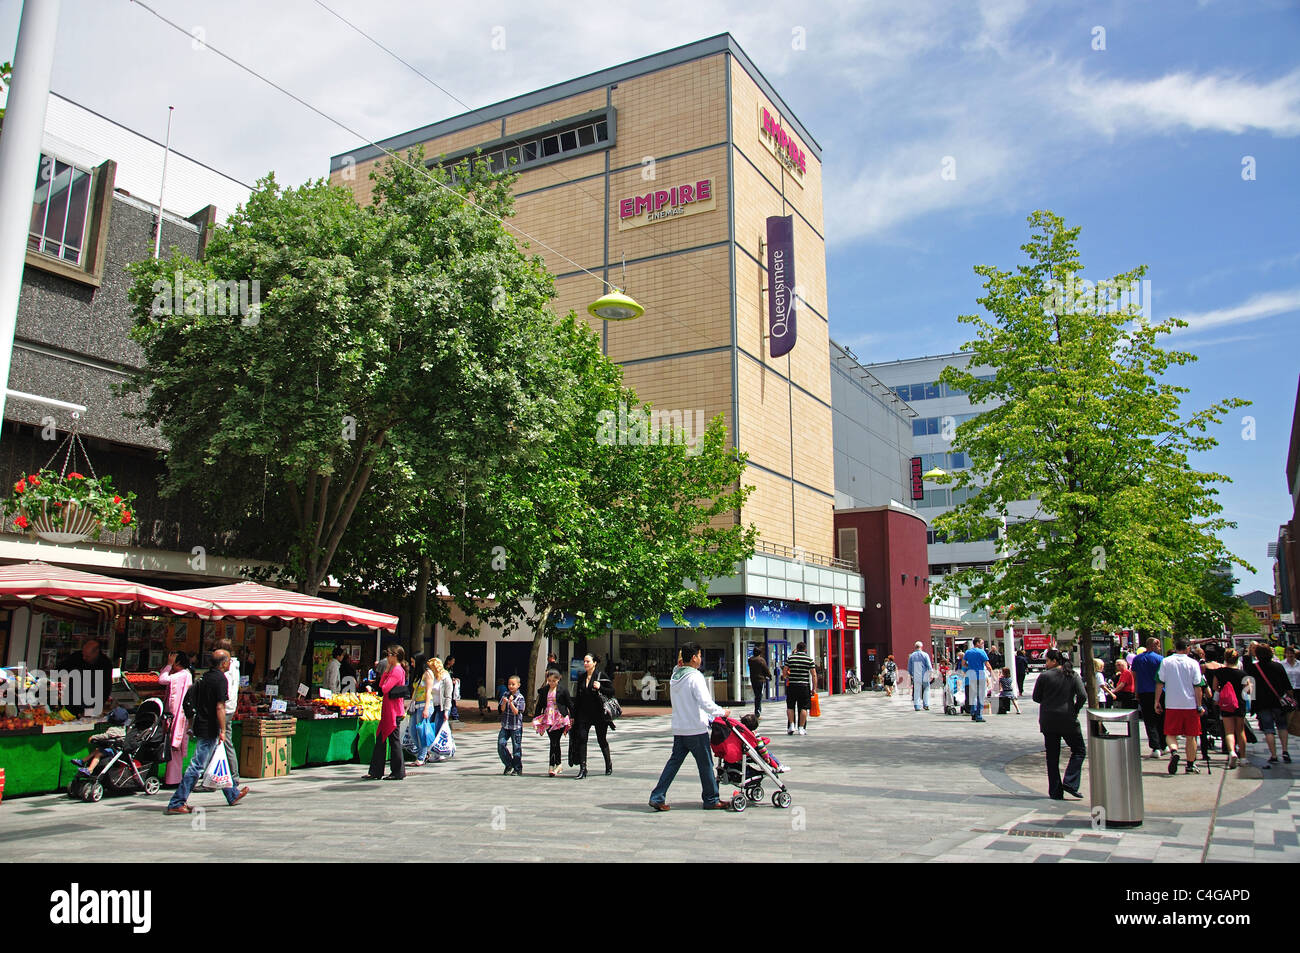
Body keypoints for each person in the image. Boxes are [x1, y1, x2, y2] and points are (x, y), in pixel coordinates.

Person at [165, 650, 250, 813]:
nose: (230, 664)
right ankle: (177, 801)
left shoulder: (204, 677)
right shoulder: (220, 679)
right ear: (224, 663)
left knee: (217, 759)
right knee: (197, 766)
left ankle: (232, 794)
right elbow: (220, 707)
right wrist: (223, 729)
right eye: (229, 661)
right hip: (209, 726)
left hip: (201, 723)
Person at [648, 642, 730, 811]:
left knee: (673, 763)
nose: (700, 659)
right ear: (693, 658)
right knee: (706, 764)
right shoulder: (695, 677)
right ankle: (711, 799)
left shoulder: (675, 677)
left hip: (679, 728)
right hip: (695, 728)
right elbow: (706, 703)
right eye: (699, 655)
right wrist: (722, 712)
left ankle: (657, 796)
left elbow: (677, 670)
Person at [1032, 649, 1087, 800]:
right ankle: (1070, 781)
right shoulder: (1072, 675)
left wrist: (1048, 701)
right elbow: (1082, 696)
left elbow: (1036, 697)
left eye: (1047, 660)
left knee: (1052, 756)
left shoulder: (1044, 676)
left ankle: (1056, 791)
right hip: (1068, 718)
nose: (1046, 663)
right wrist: (1075, 709)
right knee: (1079, 750)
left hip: (1048, 719)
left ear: (1054, 661)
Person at [1154, 637, 1206, 775]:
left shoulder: (1166, 661)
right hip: (1190, 704)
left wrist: (1157, 701)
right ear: (1188, 648)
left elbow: (1159, 682)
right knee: (1191, 736)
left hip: (1172, 703)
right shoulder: (1193, 663)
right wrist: (1199, 705)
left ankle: (1174, 750)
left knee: (1170, 734)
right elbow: (1198, 686)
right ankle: (1190, 764)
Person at [1243, 643, 1293, 766]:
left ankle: (1274, 755)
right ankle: (1285, 751)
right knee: (1282, 726)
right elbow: (1287, 686)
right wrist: (1291, 698)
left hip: (1261, 703)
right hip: (1278, 702)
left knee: (1268, 729)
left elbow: (1247, 689)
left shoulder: (1253, 668)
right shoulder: (1278, 666)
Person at [364, 645, 408, 780]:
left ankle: (397, 771)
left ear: (395, 656)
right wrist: (386, 671)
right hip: (389, 710)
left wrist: (387, 673)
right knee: (382, 740)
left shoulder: (397, 670)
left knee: (393, 741)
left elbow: (384, 688)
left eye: (389, 654)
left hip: (393, 712)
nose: (387, 657)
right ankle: (376, 771)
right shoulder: (393, 669)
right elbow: (381, 685)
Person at [570, 653, 615, 778]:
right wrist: (573, 715)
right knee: (582, 739)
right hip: (584, 714)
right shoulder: (581, 677)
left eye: (588, 661)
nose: (585, 664)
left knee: (601, 740)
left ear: (594, 663)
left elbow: (612, 691)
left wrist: (601, 687)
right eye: (584, 661)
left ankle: (608, 764)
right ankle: (583, 768)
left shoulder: (601, 676)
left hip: (599, 714)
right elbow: (577, 698)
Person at [157, 651, 193, 785]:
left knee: (174, 748)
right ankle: (172, 778)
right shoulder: (185, 674)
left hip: (178, 717)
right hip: (178, 716)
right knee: (173, 748)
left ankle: (172, 779)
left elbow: (162, 679)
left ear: (178, 663)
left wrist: (168, 665)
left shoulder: (182, 675)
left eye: (174, 662)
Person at [1209, 648, 1247, 769]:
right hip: (1239, 703)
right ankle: (1243, 758)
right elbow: (1249, 691)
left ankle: (1231, 752)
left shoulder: (1219, 672)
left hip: (1226, 703)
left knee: (1229, 731)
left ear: (1225, 659)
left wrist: (1223, 690)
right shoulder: (1243, 674)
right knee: (1240, 731)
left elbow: (1215, 687)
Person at [56, 637, 114, 716]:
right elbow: (60, 670)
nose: (84, 658)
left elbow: (106, 688)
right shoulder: (76, 657)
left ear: (96, 652)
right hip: (71, 701)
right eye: (83, 654)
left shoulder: (105, 664)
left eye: (87, 656)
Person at [1131, 637, 1166, 759]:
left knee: (1149, 720)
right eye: (1159, 645)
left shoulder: (1137, 659)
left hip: (1144, 692)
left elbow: (1135, 677)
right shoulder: (1160, 659)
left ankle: (1155, 747)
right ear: (1154, 645)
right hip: (1160, 692)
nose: (1160, 648)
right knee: (1161, 718)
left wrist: (1136, 692)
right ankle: (1164, 744)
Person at [533, 669, 573, 776]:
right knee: (553, 741)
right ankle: (555, 765)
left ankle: (555, 765)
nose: (551, 683)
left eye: (554, 681)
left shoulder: (563, 690)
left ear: (558, 679)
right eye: (549, 680)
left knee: (555, 741)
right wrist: (536, 719)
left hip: (559, 718)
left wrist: (572, 717)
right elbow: (540, 705)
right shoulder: (544, 690)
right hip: (548, 718)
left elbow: (569, 704)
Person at [73, 705, 130, 774]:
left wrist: (93, 737)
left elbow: (104, 736)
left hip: (115, 749)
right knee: (97, 750)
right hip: (115, 747)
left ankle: (90, 769)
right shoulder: (123, 728)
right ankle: (83, 761)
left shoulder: (114, 730)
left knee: (98, 754)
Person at [406, 654, 436, 766]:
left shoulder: (428, 674)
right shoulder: (419, 675)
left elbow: (428, 692)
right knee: (413, 732)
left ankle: (421, 757)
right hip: (416, 704)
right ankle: (423, 753)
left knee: (422, 732)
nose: (412, 664)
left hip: (425, 705)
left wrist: (427, 708)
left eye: (413, 662)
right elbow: (415, 691)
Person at [782, 642, 816, 735]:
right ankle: (801, 728)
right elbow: (814, 674)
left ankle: (791, 725)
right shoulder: (809, 659)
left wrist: (786, 677)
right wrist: (814, 688)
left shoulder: (790, 658)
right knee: (803, 707)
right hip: (804, 686)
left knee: (790, 706)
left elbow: (784, 671)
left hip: (792, 685)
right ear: (805, 649)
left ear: (797, 648)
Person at [497, 675, 526, 776]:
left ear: (518, 685)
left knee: (516, 747)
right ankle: (509, 764)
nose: (511, 686)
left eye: (513, 684)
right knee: (501, 744)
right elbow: (502, 709)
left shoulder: (520, 697)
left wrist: (511, 703)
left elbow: (517, 712)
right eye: (509, 684)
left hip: (516, 726)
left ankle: (517, 768)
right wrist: (505, 703)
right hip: (506, 725)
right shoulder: (505, 694)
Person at [963, 638, 993, 723]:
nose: (983, 644)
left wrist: (969, 667)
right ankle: (979, 715)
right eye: (982, 643)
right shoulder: (981, 652)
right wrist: (992, 673)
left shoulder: (968, 652)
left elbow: (963, 664)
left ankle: (973, 712)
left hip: (971, 675)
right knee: (980, 695)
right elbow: (987, 664)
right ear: (977, 643)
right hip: (980, 675)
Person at [907, 641, 934, 711]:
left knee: (916, 690)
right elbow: (929, 665)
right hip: (924, 675)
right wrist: (931, 673)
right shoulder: (925, 655)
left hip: (916, 675)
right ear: (921, 647)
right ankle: (926, 704)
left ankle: (917, 705)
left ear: (915, 647)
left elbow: (909, 668)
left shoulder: (912, 656)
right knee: (926, 689)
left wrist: (911, 675)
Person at [747, 646, 771, 717]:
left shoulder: (750, 660)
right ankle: (758, 710)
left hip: (753, 679)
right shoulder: (761, 660)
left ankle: (757, 710)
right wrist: (769, 676)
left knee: (756, 695)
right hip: (760, 679)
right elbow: (766, 669)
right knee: (759, 695)